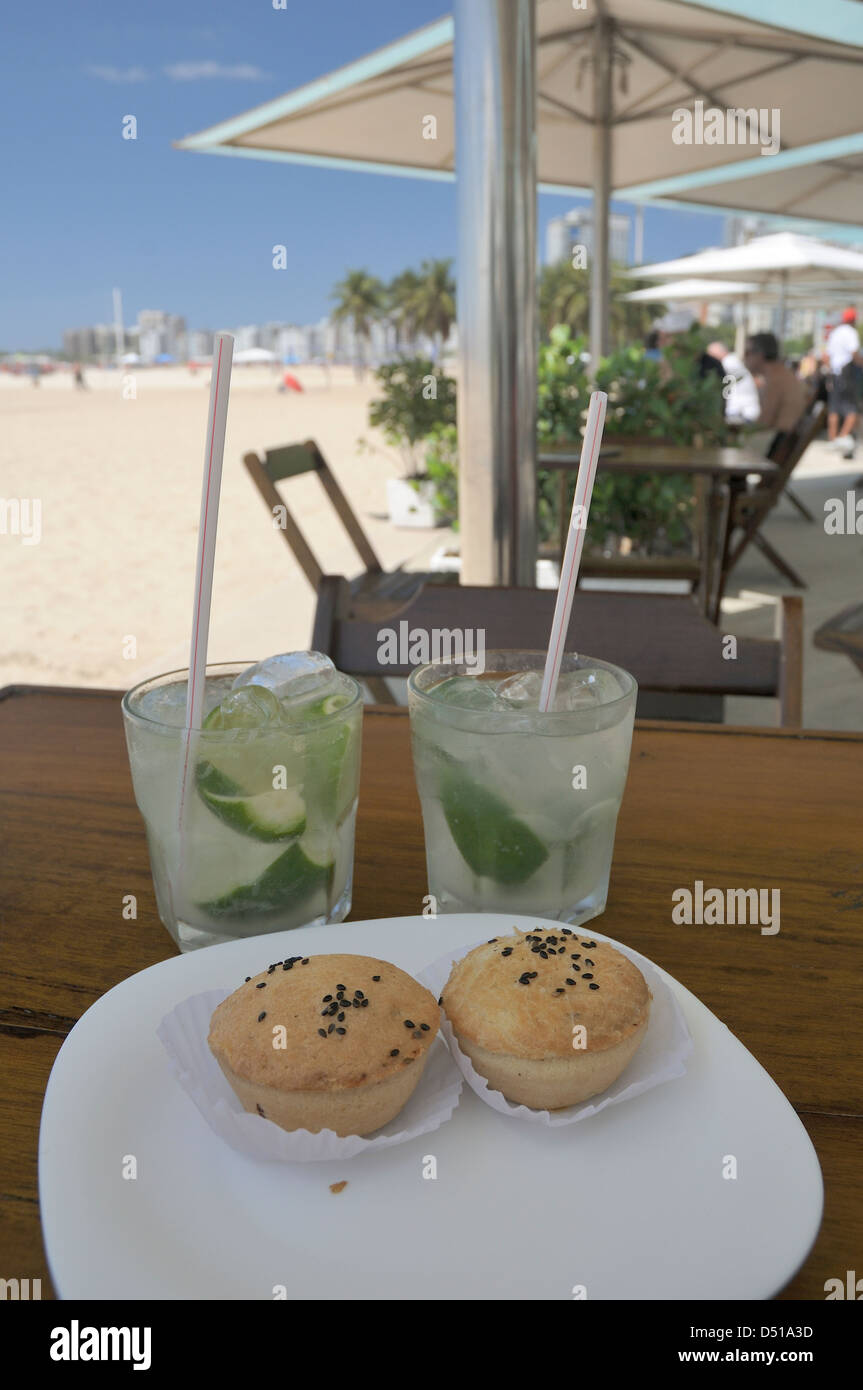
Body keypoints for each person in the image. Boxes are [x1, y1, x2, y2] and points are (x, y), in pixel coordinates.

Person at [742, 332, 810, 455]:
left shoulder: (775, 378)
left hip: (776, 441)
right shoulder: (781, 373)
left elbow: (765, 421)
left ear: (760, 354)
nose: (744, 357)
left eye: (747, 352)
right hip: (780, 441)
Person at [824, 308, 863, 457]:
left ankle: (832, 439)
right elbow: (854, 354)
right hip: (847, 374)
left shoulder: (835, 332)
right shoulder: (850, 333)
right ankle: (842, 437)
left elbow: (827, 356)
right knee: (852, 409)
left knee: (833, 409)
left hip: (835, 374)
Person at [704, 341, 761, 424]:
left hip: (742, 412)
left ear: (719, 352)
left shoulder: (728, 363)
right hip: (743, 411)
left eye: (711, 354)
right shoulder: (732, 360)